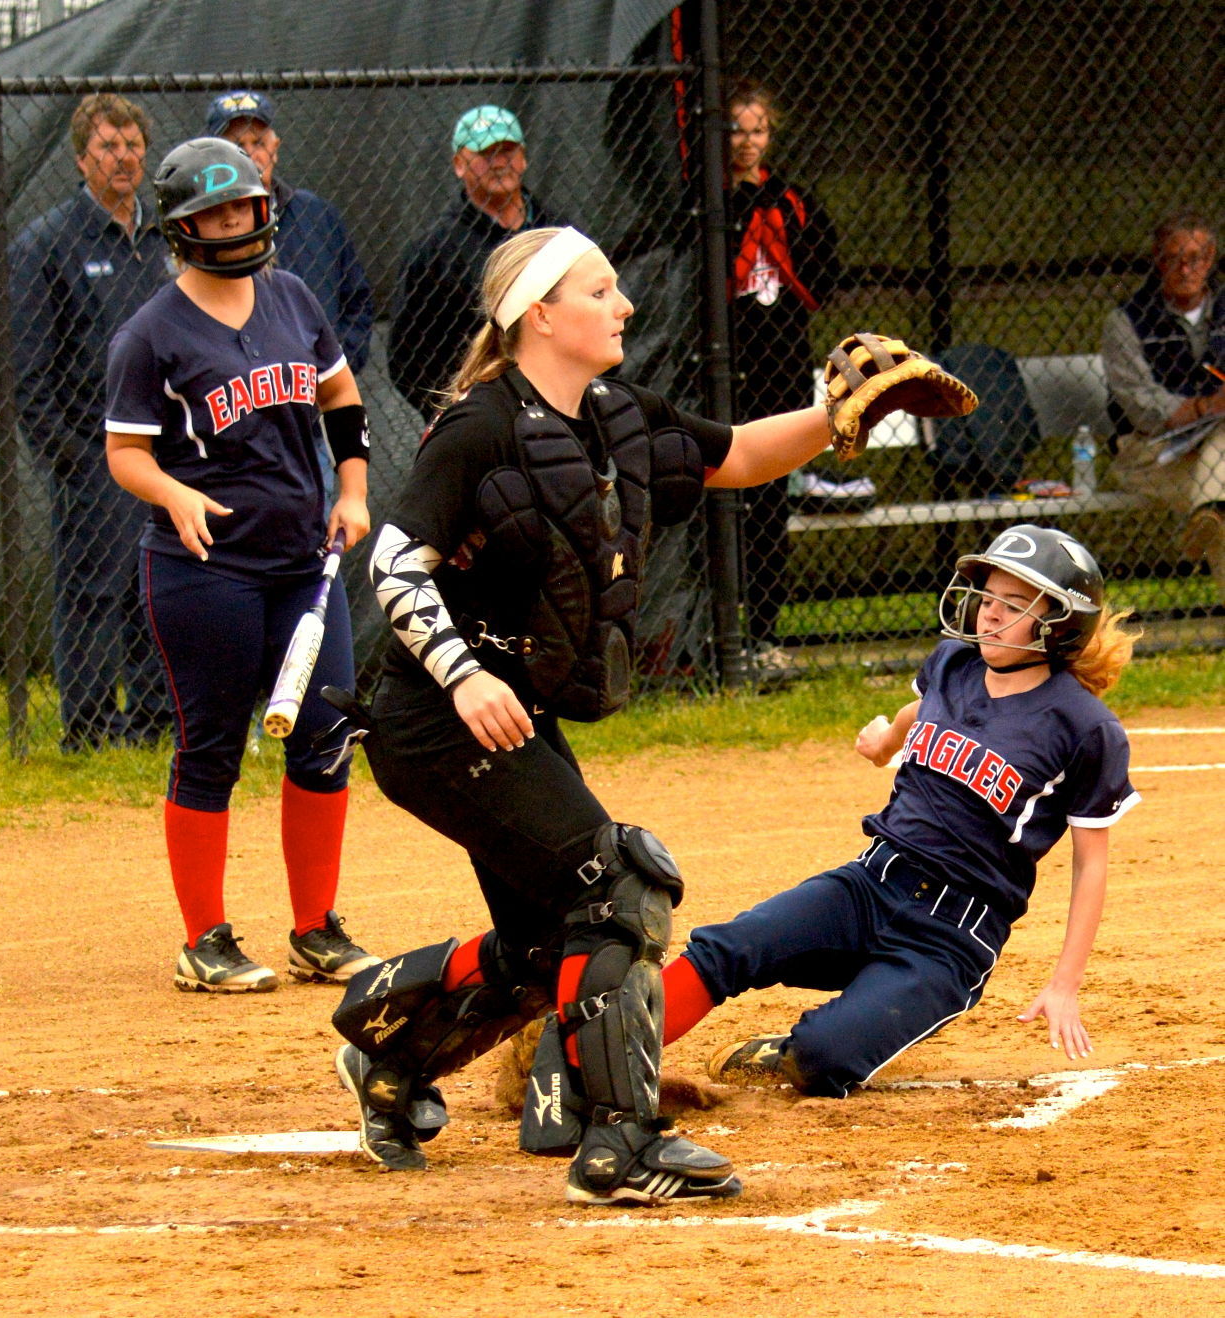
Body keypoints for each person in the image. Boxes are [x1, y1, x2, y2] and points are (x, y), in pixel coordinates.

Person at [328, 226, 928, 1207]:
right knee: (619, 881)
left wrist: (833, 415)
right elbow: (395, 562)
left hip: (510, 716)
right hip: (437, 721)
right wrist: (460, 674)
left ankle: (388, 1057)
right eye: (600, 291)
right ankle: (619, 1143)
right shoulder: (478, 425)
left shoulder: (611, 415)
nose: (624, 306)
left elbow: (732, 457)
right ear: (540, 316)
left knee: (544, 944)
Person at [646, 525, 1139, 1097]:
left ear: (1060, 622)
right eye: (988, 598)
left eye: (1014, 604)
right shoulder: (954, 664)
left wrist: (1065, 983)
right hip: (866, 886)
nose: (989, 614)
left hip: (950, 937)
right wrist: (886, 742)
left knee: (822, 1060)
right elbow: (921, 706)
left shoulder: (1084, 727)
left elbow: (1091, 864)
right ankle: (593, 1052)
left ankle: (803, 1045)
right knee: (728, 949)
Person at [104, 137, 378, 994]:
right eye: (211, 214)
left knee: (327, 739)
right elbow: (124, 452)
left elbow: (341, 397)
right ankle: (204, 938)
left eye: (242, 207)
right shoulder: (150, 335)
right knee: (211, 746)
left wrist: (354, 489)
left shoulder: (294, 299)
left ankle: (315, 929)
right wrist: (172, 493)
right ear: (181, 228)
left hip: (307, 562)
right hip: (205, 571)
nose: (231, 224)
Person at [9, 92, 172, 752]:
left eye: (133, 144)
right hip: (94, 451)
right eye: (109, 146)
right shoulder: (46, 243)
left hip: (166, 451)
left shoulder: (166, 239)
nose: (124, 158)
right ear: (81, 159)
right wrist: (74, 456)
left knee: (158, 583)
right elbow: (30, 374)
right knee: (93, 592)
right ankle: (92, 724)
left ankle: (158, 718)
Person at [722, 82, 842, 664]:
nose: (747, 143)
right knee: (726, 493)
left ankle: (765, 629)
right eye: (736, 131)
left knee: (771, 498)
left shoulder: (792, 201)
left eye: (758, 130)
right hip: (728, 367)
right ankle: (724, 628)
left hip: (782, 359)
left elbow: (825, 269)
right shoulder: (711, 201)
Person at [386, 104, 567, 421]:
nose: (499, 163)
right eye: (486, 154)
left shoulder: (562, 235)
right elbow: (406, 357)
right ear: (459, 164)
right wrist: (457, 413)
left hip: (562, 408)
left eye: (507, 151)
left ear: (523, 158)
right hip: (484, 419)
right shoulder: (434, 252)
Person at [203, 90, 374, 376]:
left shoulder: (317, 213)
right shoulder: (202, 226)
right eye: (236, 144)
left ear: (275, 147)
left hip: (318, 389)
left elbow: (357, 297)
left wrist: (335, 365)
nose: (249, 154)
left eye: (258, 142)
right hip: (241, 395)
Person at [1102, 210, 1225, 601]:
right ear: (1158, 260)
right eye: (1174, 258)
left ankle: (1212, 511)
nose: (1185, 269)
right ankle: (1213, 507)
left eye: (1195, 257)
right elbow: (1142, 406)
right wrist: (1206, 406)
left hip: (1213, 455)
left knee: (1222, 512)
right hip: (1149, 453)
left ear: (1210, 259)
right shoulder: (1126, 321)